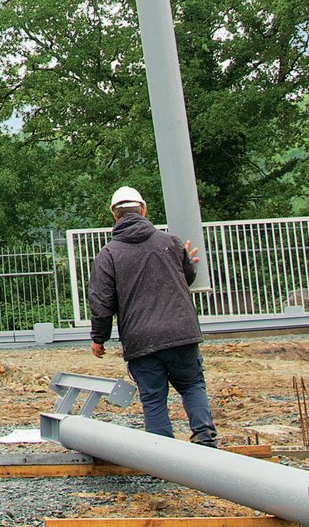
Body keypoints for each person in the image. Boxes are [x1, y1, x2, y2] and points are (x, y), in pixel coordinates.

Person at [87, 184, 217, 447]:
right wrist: (186, 262)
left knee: (153, 398)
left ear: (115, 215)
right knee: (192, 386)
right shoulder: (170, 242)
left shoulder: (109, 254)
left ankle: (164, 455)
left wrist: (98, 339)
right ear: (143, 210)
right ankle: (206, 441)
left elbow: (102, 302)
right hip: (182, 333)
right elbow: (186, 277)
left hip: (141, 341)